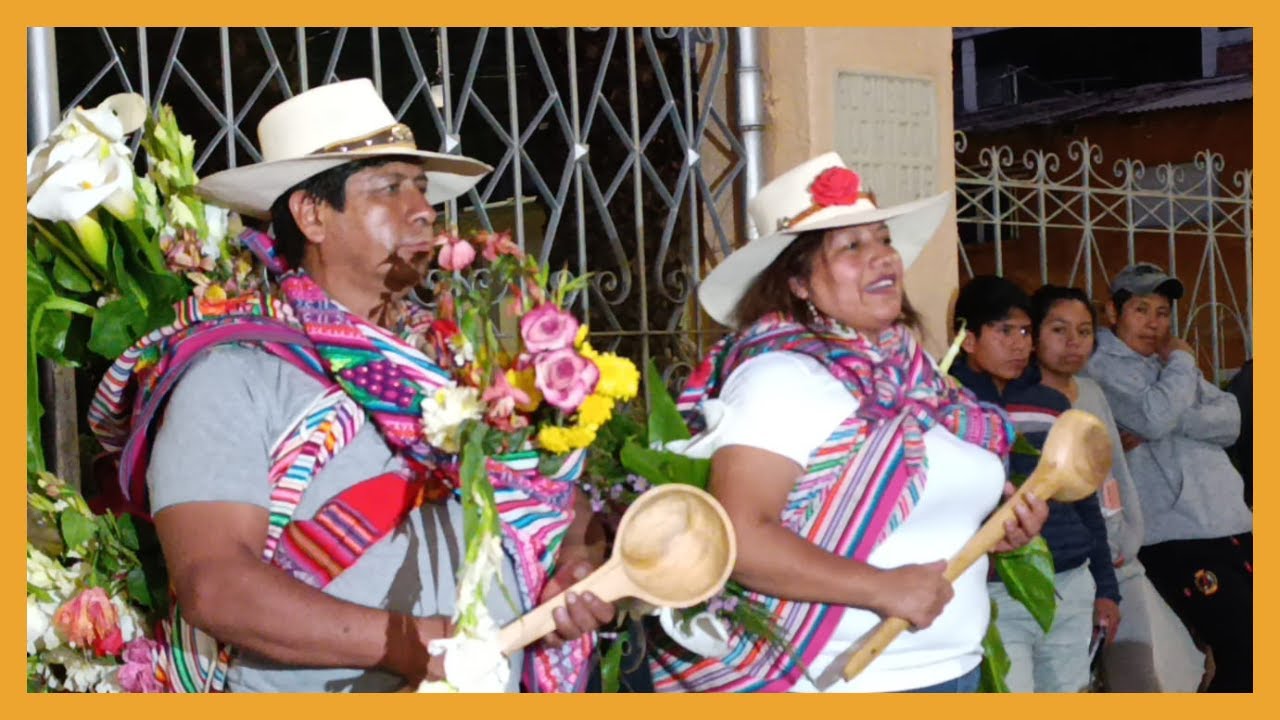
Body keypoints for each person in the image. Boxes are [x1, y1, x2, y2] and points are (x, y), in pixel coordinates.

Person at [87, 79, 614, 692]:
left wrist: (573, 561)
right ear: (312, 215)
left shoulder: (455, 360)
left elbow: (547, 497)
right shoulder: (233, 373)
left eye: (421, 187)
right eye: (389, 188)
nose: (423, 209)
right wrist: (413, 646)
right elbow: (217, 585)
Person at [647, 153, 1049, 693]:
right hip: (841, 683)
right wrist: (880, 588)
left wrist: (997, 529)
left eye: (883, 239)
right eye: (852, 247)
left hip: (951, 670)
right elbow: (738, 536)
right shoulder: (780, 376)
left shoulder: (919, 379)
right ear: (798, 282)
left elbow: (914, 522)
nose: (882, 257)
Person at [1084, 262, 1252, 692]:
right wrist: (1180, 366)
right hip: (1175, 536)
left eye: (1162, 312)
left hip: (1228, 522)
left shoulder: (1169, 365)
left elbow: (1231, 420)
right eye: (1141, 310)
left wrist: (1171, 416)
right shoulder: (1102, 366)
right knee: (1244, 650)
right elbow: (1154, 417)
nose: (1154, 323)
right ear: (1113, 312)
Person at [1029, 285, 1205, 692]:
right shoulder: (1025, 401)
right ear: (1034, 335)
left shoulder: (1090, 391)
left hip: (1120, 561)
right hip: (1069, 568)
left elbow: (1115, 474)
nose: (1073, 343)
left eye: (1083, 331)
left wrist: (1129, 534)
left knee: (1140, 678)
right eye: (1059, 330)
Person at [950, 276, 1118, 693]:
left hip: (1070, 583)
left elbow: (1085, 501)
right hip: (996, 589)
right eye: (1004, 331)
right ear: (968, 339)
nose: (1018, 345)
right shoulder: (948, 407)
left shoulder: (1051, 403)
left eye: (1025, 332)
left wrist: (1106, 588)